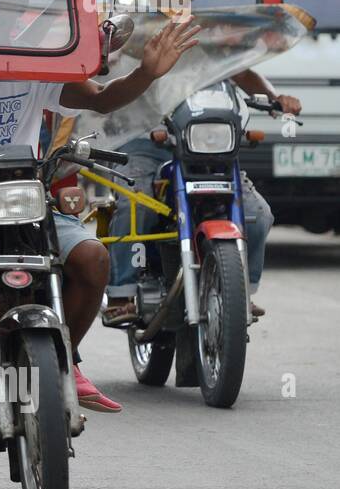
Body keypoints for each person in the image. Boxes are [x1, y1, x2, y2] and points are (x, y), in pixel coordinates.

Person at [0, 17, 202, 448]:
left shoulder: (32, 64)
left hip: (16, 200)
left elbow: (102, 100)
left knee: (91, 258)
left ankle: (62, 361)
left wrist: (146, 73)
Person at [102, 70, 301, 323]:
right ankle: (123, 293)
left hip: (204, 141)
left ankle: (241, 293)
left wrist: (275, 97)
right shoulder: (145, 36)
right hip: (145, 141)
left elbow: (239, 70)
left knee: (258, 214)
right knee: (136, 201)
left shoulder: (212, 41)